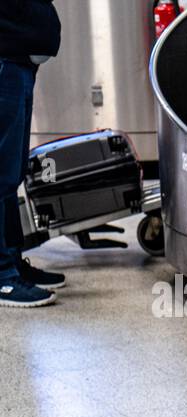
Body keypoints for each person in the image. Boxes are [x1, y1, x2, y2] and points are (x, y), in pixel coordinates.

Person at [0, 0, 62, 308]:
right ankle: (2, 276)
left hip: (18, 63)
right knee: (1, 173)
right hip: (5, 61)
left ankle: (12, 263)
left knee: (11, 173)